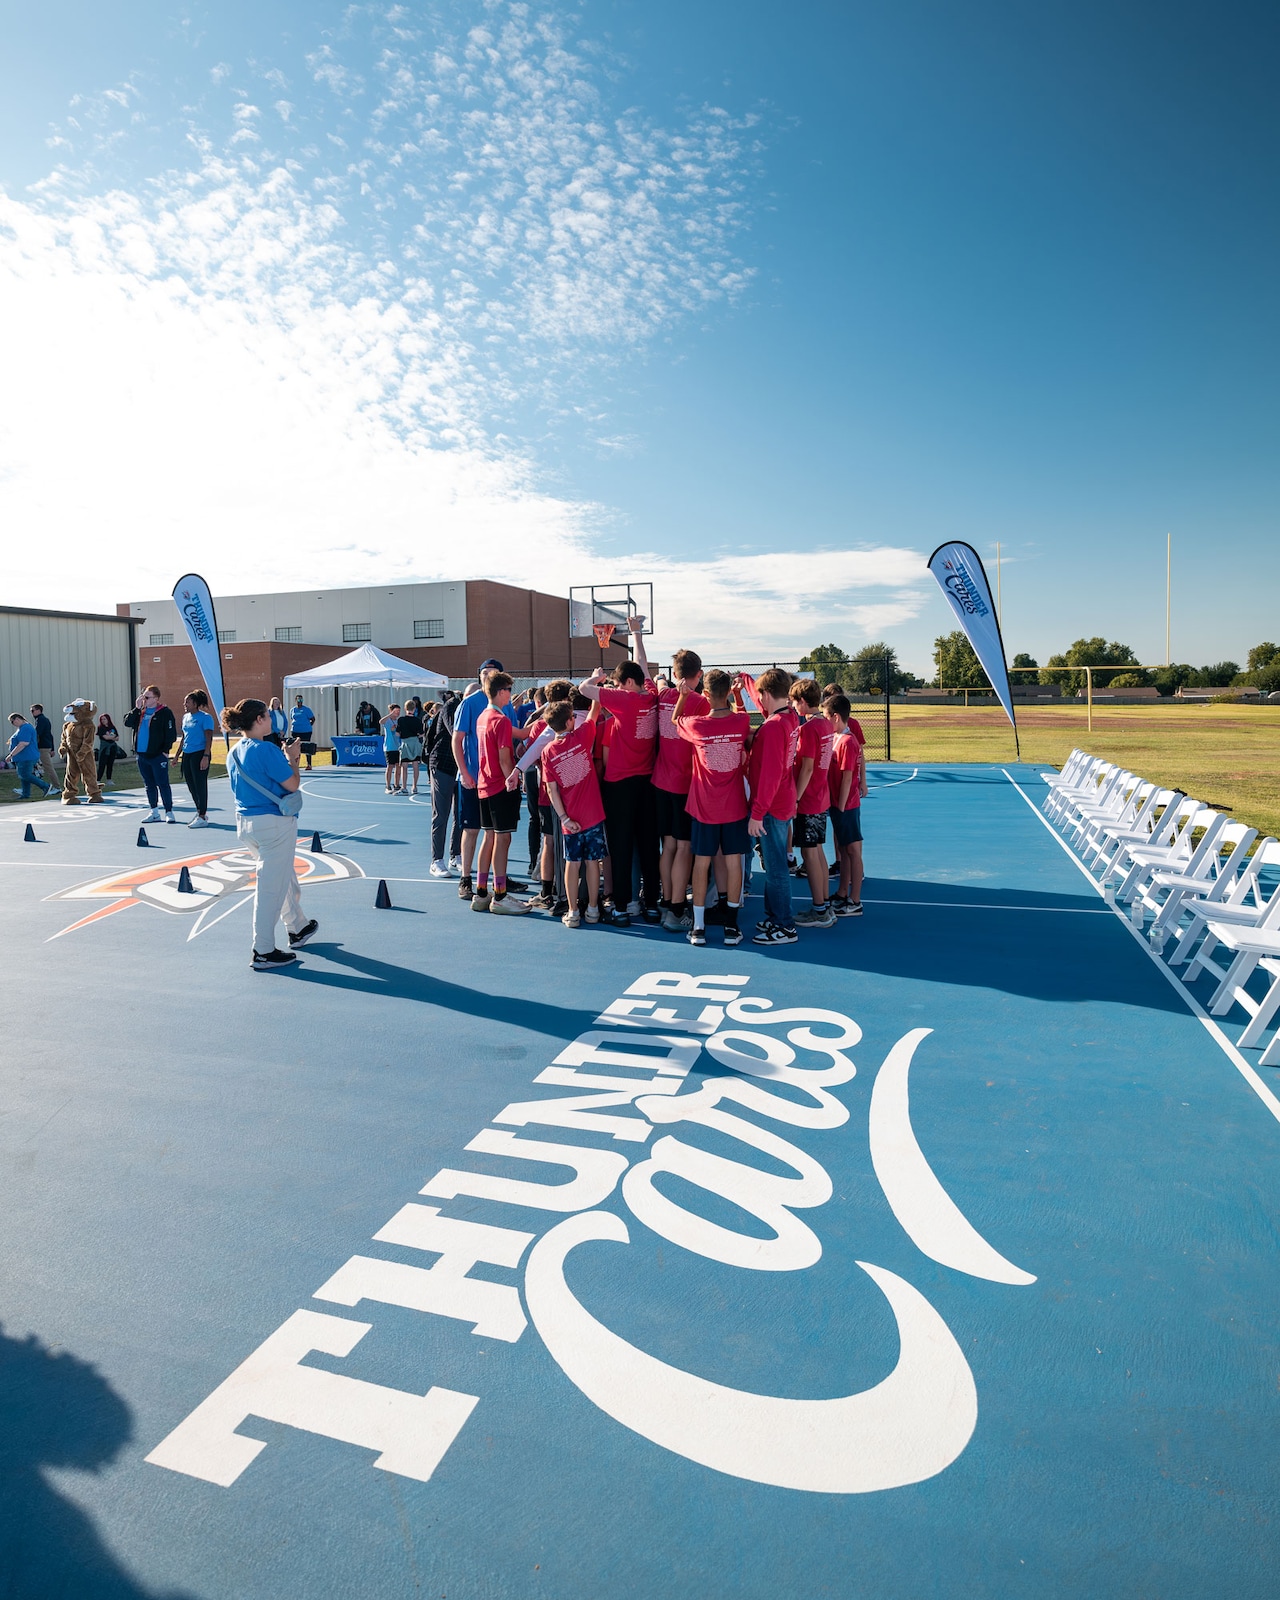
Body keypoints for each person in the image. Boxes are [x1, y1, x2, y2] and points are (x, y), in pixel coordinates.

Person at [577, 618, 661, 926]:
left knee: (622, 846)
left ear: (625, 684)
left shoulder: (623, 700)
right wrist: (636, 633)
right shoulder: (650, 695)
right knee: (649, 845)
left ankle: (623, 906)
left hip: (621, 785)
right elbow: (641, 665)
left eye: (616, 682)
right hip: (647, 781)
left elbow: (585, 690)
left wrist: (597, 678)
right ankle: (652, 903)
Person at [222, 698, 317, 970]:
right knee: (270, 888)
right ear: (261, 719)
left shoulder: (234, 752)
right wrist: (294, 759)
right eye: (268, 715)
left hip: (246, 823)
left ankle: (298, 926)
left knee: (283, 877)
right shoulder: (267, 751)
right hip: (273, 824)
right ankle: (263, 949)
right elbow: (293, 784)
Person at [675, 668, 750, 947]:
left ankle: (698, 927)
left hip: (704, 806)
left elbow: (675, 720)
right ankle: (731, 926)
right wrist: (739, 697)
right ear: (729, 691)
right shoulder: (741, 722)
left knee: (701, 862)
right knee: (733, 864)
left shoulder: (697, 725)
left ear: (705, 694)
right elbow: (744, 722)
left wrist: (684, 696)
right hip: (733, 807)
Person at [452, 661, 527, 900]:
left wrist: (538, 725)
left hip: (488, 780)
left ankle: (491, 884)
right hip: (486, 779)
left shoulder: (496, 712)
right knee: (483, 831)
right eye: (485, 673)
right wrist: (464, 771)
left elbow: (514, 733)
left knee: (490, 834)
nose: (488, 676)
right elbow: (458, 739)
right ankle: (474, 882)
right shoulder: (473, 705)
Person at [653, 648, 709, 932]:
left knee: (669, 845)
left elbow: (660, 684)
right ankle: (676, 908)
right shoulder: (700, 702)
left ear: (675, 673)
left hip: (661, 780)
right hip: (685, 783)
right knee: (684, 846)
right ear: (698, 675)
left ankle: (667, 900)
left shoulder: (663, 696)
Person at [745, 667, 800, 944]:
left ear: (766, 695)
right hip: (783, 801)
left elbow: (769, 775)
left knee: (776, 867)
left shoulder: (774, 727)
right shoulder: (790, 717)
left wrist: (757, 813)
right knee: (774, 865)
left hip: (772, 806)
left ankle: (785, 925)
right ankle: (774, 916)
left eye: (759, 696)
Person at [542, 700, 607, 927]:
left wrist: (564, 818)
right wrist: (597, 686)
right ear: (570, 722)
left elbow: (551, 789)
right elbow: (594, 710)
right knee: (592, 862)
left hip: (570, 818)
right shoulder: (582, 736)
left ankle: (572, 911)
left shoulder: (548, 751)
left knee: (572, 863)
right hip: (593, 814)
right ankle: (591, 909)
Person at [471, 672, 530, 915]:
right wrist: (515, 778)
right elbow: (505, 758)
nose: (510, 692)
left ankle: (482, 892)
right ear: (501, 691)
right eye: (508, 689)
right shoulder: (501, 719)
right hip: (499, 786)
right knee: (503, 839)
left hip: (484, 785)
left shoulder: (484, 717)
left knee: (489, 838)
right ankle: (501, 895)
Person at [790, 679, 836, 928]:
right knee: (817, 851)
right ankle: (825, 905)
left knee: (810, 853)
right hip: (820, 796)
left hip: (808, 799)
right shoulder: (826, 725)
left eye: (795, 701)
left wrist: (796, 797)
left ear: (803, 702)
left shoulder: (809, 729)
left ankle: (819, 909)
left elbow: (807, 767)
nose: (794, 706)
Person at [825, 693, 867, 915]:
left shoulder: (849, 742)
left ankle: (855, 900)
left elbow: (848, 777)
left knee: (852, 850)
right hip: (837, 804)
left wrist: (840, 806)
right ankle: (842, 892)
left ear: (836, 717)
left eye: (826, 716)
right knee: (843, 848)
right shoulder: (837, 738)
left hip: (847, 806)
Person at [123, 686, 178, 823]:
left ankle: (169, 811)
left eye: (147, 697)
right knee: (149, 784)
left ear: (156, 698)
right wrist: (136, 708)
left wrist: (166, 750)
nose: (144, 699)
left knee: (163, 783)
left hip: (158, 755)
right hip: (142, 755)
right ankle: (154, 811)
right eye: (143, 696)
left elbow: (170, 734)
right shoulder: (140, 712)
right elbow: (127, 722)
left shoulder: (165, 712)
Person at [426, 691, 463, 876]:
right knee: (441, 814)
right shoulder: (452, 706)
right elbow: (454, 732)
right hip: (442, 764)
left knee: (460, 813)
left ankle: (455, 855)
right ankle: (436, 861)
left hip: (460, 766)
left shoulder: (468, 707)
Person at [178, 690, 216, 828]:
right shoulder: (185, 717)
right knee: (190, 784)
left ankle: (202, 815)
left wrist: (205, 756)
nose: (185, 704)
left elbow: (209, 738)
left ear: (195, 703)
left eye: (187, 701)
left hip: (200, 753)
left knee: (200, 784)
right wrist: (177, 756)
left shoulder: (205, 718)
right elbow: (184, 737)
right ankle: (199, 811)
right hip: (187, 754)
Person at [59, 699, 104, 805]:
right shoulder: (67, 725)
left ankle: (94, 793)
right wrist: (63, 747)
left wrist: (82, 753)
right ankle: (69, 794)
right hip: (72, 754)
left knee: (89, 773)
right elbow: (64, 738)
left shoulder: (88, 725)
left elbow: (88, 742)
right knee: (71, 774)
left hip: (84, 754)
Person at [7, 712, 55, 798]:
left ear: (17, 719)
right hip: (22, 757)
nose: (13, 724)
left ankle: (45, 786)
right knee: (23, 776)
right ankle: (25, 794)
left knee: (25, 775)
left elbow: (23, 743)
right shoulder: (22, 728)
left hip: (27, 756)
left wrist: (11, 754)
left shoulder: (26, 728)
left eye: (12, 721)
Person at [395, 699, 424, 796]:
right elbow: (421, 734)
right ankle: (414, 786)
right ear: (414, 708)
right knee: (416, 765)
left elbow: (397, 734)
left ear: (405, 708)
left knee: (404, 766)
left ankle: (404, 787)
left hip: (405, 743)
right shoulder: (418, 720)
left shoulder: (401, 720)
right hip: (415, 742)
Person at [29, 705, 58, 789]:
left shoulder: (40, 720)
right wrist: (52, 748)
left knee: (48, 767)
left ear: (39, 710)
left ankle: (57, 787)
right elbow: (50, 735)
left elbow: (37, 734)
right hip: (46, 746)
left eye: (33, 711)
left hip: (43, 747)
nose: (32, 713)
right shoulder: (43, 720)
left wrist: (32, 745)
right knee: (38, 767)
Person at [289, 694, 316, 769]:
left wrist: (308, 725)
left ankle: (309, 764)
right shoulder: (293, 710)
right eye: (298, 700)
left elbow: (313, 719)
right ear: (295, 700)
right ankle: (296, 764)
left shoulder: (306, 710)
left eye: (301, 700)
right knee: (296, 747)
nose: (299, 701)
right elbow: (292, 718)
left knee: (307, 747)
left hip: (306, 731)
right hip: (295, 731)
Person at [381, 704, 403, 793]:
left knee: (398, 766)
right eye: (395, 711)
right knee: (390, 766)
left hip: (398, 747)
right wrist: (390, 714)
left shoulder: (399, 721)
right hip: (389, 747)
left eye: (398, 711)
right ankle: (388, 785)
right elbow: (381, 721)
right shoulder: (388, 721)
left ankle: (397, 784)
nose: (397, 713)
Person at [96, 711, 122, 786]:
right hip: (104, 748)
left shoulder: (112, 727)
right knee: (102, 764)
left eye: (104, 719)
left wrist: (111, 737)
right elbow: (105, 737)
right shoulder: (100, 728)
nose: (103, 721)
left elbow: (117, 738)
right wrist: (112, 737)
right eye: (102, 719)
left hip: (112, 748)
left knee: (110, 764)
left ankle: (109, 779)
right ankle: (98, 780)